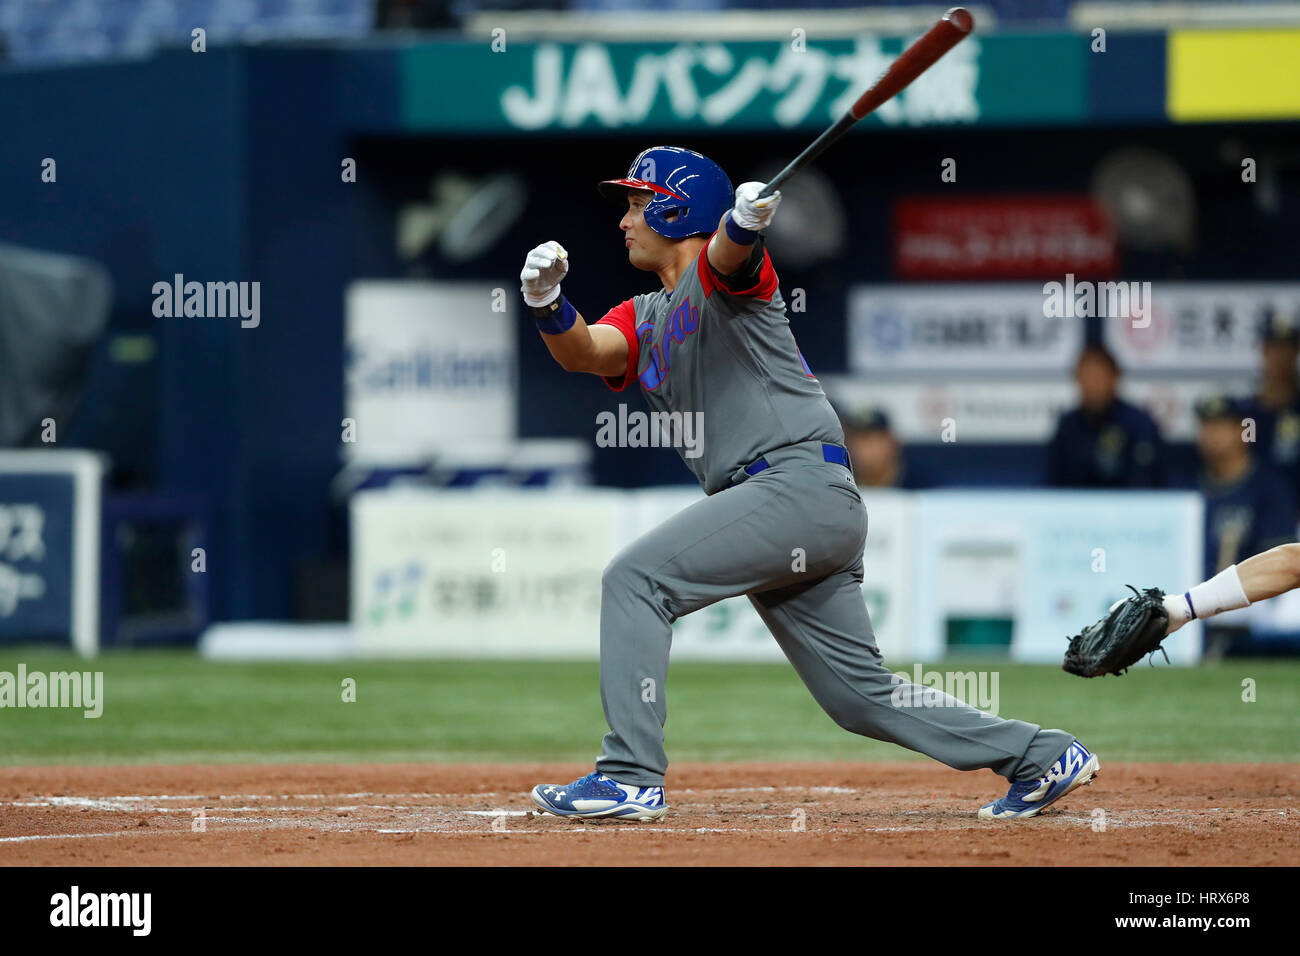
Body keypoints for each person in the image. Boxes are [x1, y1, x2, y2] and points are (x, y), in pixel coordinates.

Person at [519, 145, 1095, 822]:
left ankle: (629, 775)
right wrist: (545, 300)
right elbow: (584, 353)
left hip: (792, 486)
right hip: (793, 505)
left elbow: (730, 256)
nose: (625, 218)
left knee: (635, 580)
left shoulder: (725, 275)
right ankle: (1040, 755)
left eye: (639, 203)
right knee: (859, 697)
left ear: (678, 209)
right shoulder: (645, 315)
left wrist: (742, 223)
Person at [1046, 344, 1165, 489]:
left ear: (1114, 378)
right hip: (1076, 508)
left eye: (1097, 376)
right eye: (1085, 376)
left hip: (1130, 507)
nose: (1092, 384)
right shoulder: (1067, 426)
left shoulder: (1139, 424)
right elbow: (1053, 485)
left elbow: (1148, 483)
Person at [1240, 307, 1300, 513]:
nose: (1281, 357)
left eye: (1288, 349)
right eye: (1275, 349)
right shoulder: (1248, 416)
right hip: (1254, 513)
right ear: (1264, 351)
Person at [836, 405, 924, 489]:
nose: (861, 449)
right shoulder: (840, 483)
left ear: (891, 442)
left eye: (869, 440)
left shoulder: (921, 482)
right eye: (856, 441)